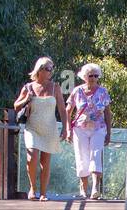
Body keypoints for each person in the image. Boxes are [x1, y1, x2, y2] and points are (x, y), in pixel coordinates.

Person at [14, 57, 65, 201]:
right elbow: (16, 106)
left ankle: (43, 193)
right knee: (32, 158)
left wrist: (66, 128)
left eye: (51, 69)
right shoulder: (29, 87)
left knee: (45, 162)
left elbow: (62, 109)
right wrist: (26, 99)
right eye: (48, 69)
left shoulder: (55, 87)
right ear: (40, 70)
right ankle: (32, 188)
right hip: (32, 128)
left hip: (49, 128)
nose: (51, 72)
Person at [66, 63, 113, 200]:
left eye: (95, 75)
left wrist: (109, 132)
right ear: (84, 76)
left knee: (95, 154)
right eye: (90, 75)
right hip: (80, 129)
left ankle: (95, 188)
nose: (93, 78)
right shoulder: (77, 91)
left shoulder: (103, 92)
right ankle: (83, 188)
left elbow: (108, 113)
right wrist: (68, 130)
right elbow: (68, 111)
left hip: (98, 128)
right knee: (82, 156)